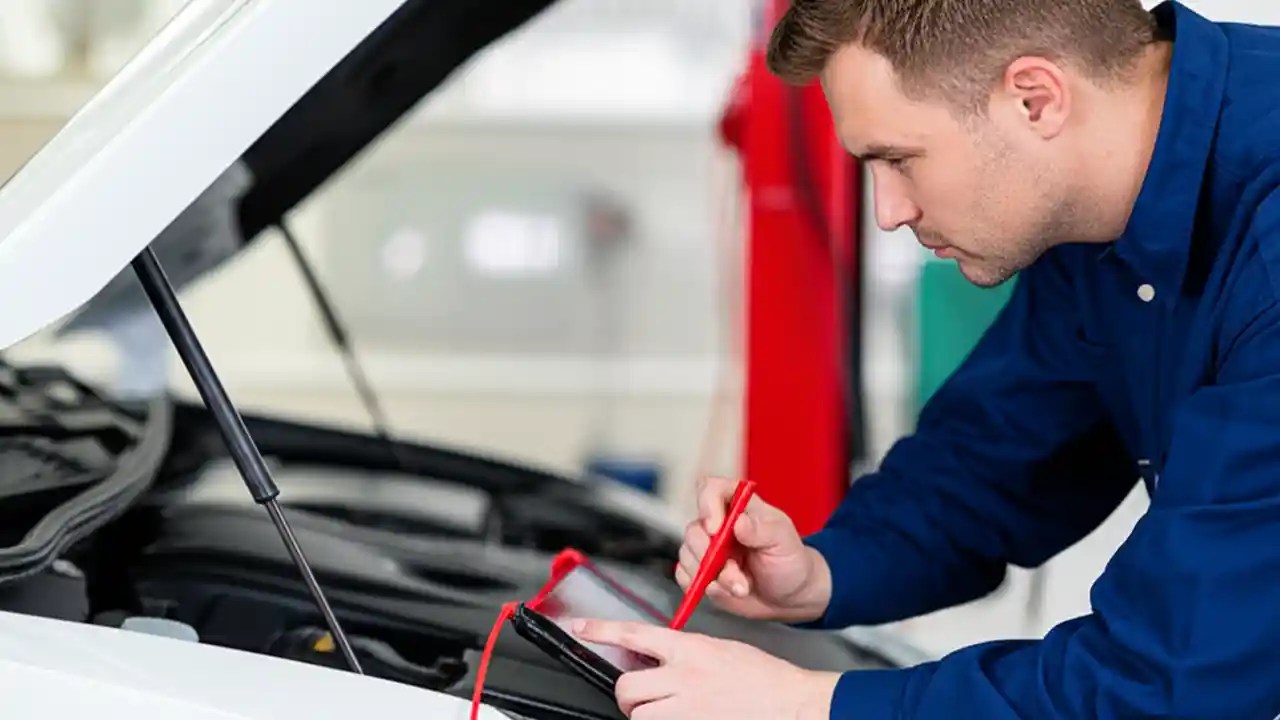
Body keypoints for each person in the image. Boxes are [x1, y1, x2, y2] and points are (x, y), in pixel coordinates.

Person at [571, 0, 1280, 717]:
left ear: (1035, 100)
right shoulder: (1099, 199)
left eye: (899, 159)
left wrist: (806, 704)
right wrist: (823, 573)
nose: (889, 212)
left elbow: (1172, 678)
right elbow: (996, 460)